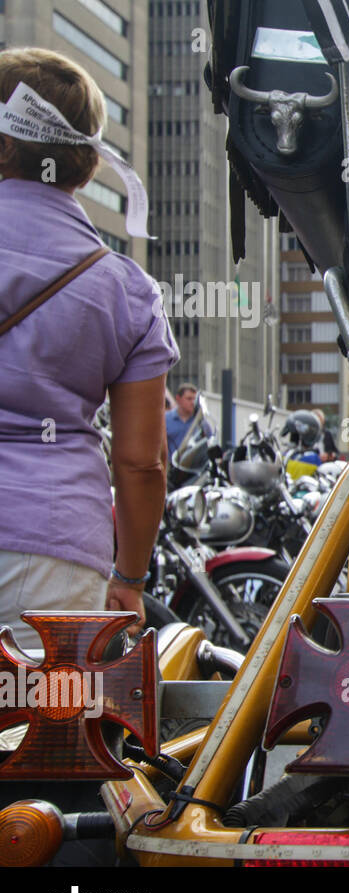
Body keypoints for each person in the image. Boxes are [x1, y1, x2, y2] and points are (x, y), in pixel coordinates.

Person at [0, 48, 178, 654]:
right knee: (32, 736)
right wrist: (129, 577)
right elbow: (141, 461)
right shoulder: (124, 288)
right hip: (51, 548)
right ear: (86, 164)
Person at [164, 382, 211, 459]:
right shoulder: (166, 420)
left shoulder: (201, 423)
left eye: (194, 399)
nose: (193, 402)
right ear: (178, 399)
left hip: (194, 468)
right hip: (172, 467)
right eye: (189, 399)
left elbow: (210, 443)